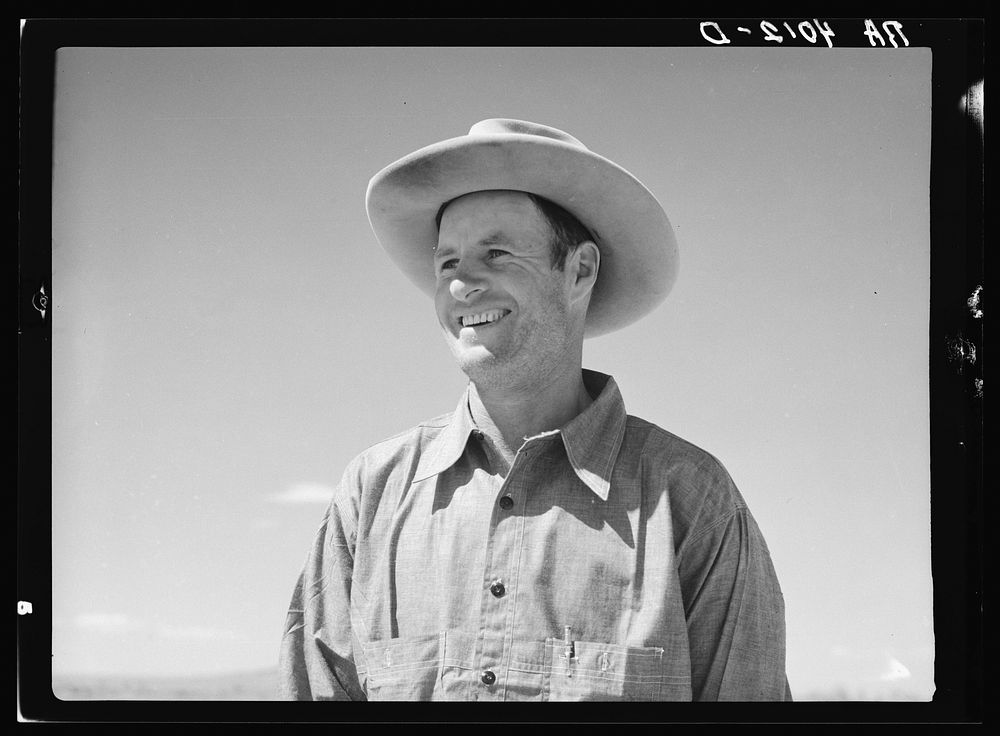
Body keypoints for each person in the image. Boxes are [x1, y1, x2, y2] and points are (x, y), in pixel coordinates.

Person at [278, 118, 792, 701]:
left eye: (496, 253)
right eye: (447, 263)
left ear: (580, 271)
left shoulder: (693, 500)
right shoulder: (372, 494)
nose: (461, 285)